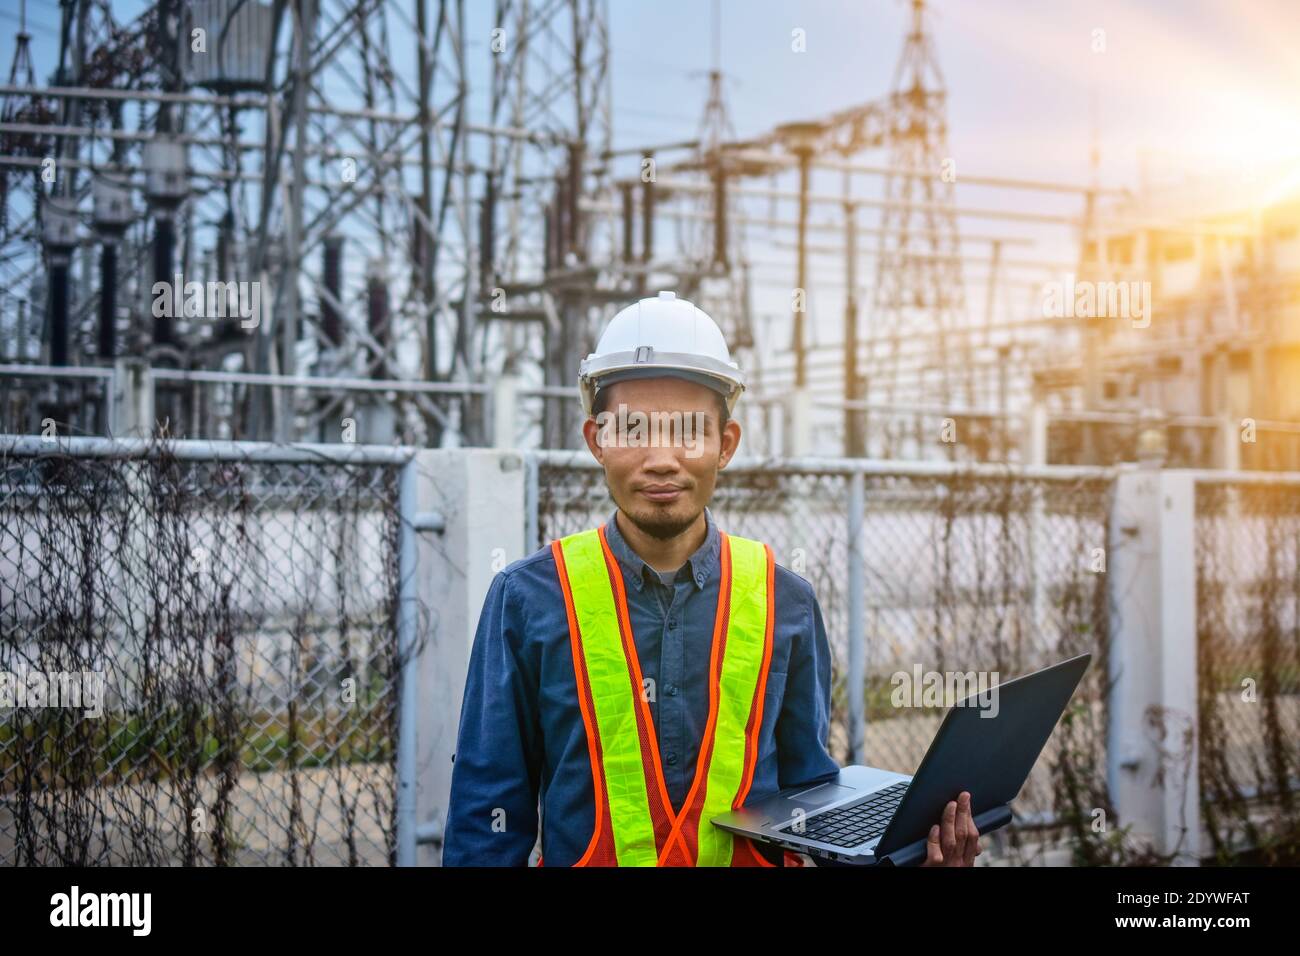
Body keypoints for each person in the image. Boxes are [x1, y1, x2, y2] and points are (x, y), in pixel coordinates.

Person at [442, 291, 981, 867]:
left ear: (725, 445)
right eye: (632, 429)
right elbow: (488, 816)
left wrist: (912, 860)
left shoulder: (785, 601)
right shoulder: (528, 599)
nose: (661, 459)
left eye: (689, 431)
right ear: (596, 440)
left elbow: (810, 800)